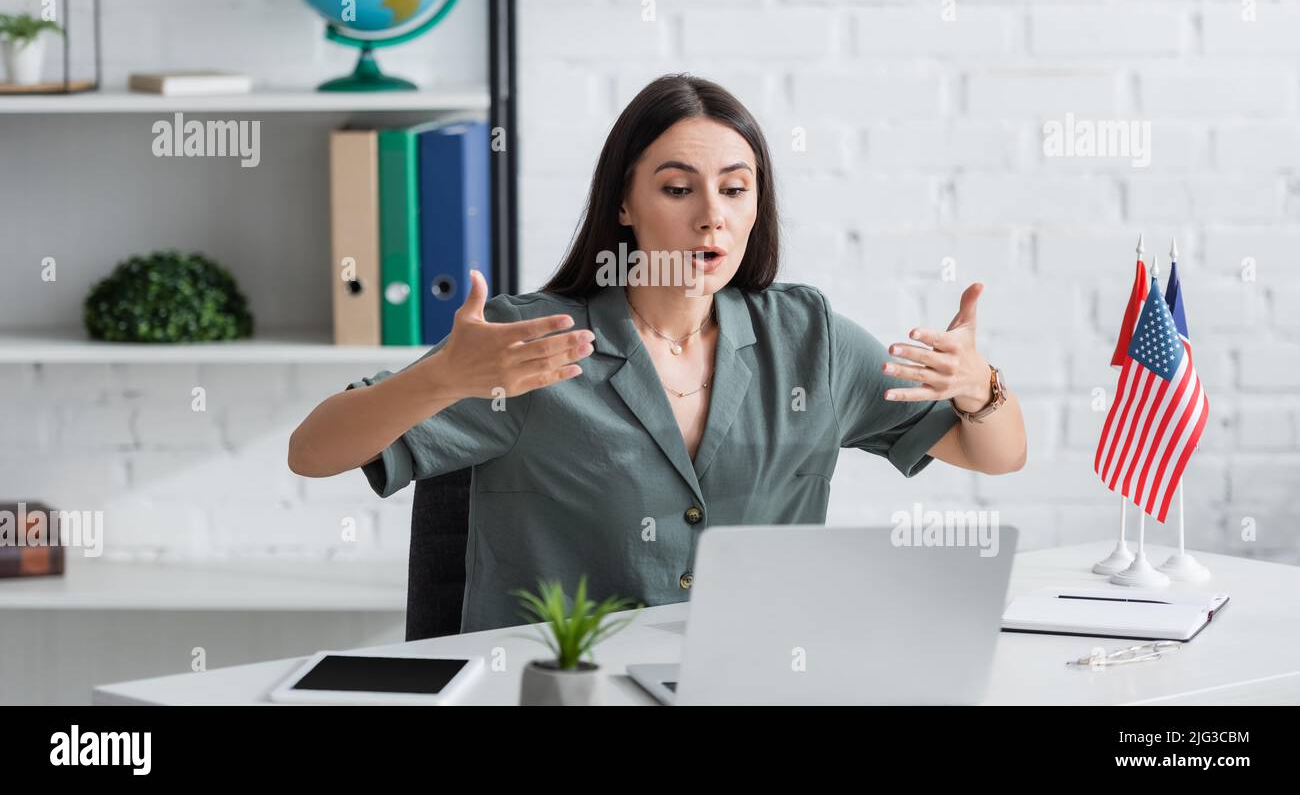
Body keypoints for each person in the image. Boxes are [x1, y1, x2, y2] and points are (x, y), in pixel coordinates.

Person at [288, 73, 1027, 633]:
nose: (712, 215)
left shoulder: (809, 339)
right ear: (623, 203)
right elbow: (312, 451)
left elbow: (994, 454)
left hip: (754, 681)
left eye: (736, 190)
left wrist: (978, 385)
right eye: (678, 188)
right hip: (569, 688)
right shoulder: (534, 342)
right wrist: (446, 376)